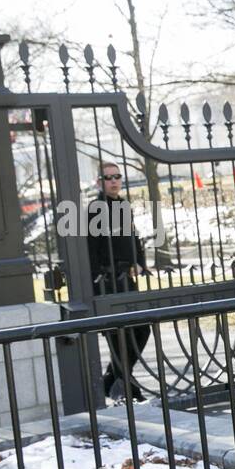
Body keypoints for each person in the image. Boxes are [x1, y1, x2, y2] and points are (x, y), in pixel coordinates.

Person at [87, 162, 150, 401]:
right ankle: (128, 386)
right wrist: (98, 278)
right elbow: (91, 249)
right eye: (108, 177)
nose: (113, 181)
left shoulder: (123, 204)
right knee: (118, 335)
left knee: (142, 327)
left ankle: (110, 379)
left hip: (127, 279)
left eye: (117, 176)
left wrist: (139, 261)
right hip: (108, 281)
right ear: (99, 182)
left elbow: (133, 237)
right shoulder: (95, 208)